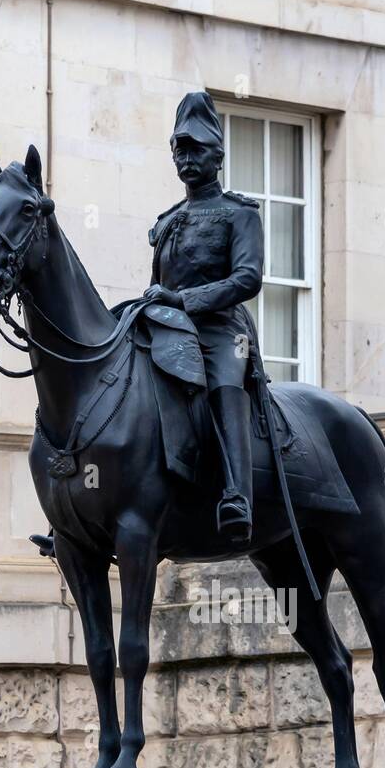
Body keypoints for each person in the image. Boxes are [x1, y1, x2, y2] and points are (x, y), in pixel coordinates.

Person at [144, 91, 264, 544]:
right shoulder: (168, 219)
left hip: (219, 330)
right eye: (179, 149)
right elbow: (158, 282)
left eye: (195, 149)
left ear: (217, 154)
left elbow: (247, 280)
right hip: (167, 324)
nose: (186, 158)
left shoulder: (239, 214)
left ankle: (237, 494)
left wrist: (183, 301)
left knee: (223, 382)